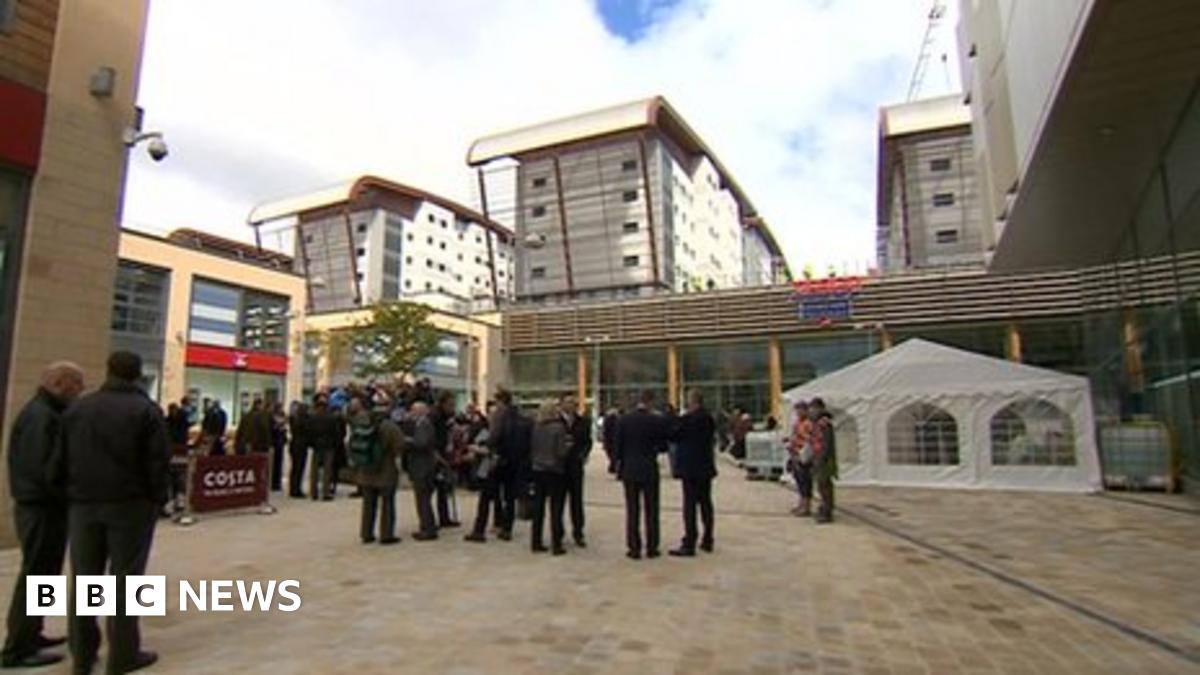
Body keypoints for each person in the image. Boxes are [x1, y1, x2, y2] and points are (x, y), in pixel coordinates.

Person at [50, 352, 167, 674]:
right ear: (137, 375)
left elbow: (59, 458)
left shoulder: (79, 408)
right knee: (126, 580)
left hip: (84, 504)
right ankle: (124, 653)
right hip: (130, 505)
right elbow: (157, 462)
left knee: (85, 579)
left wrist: (68, 493)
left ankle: (83, 654)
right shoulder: (146, 410)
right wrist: (157, 500)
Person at [1, 362, 84, 669]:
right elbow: (43, 469)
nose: (79, 392)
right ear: (62, 383)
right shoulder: (42, 417)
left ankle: (32, 632)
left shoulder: (47, 413)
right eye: (77, 385)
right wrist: (68, 490)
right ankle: (18, 647)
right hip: (40, 507)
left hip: (44, 506)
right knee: (36, 573)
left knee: (44, 573)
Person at [614, 390, 673, 560]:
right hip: (649, 467)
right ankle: (652, 546)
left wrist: (619, 463)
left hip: (630, 468)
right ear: (651, 402)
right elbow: (663, 446)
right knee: (652, 509)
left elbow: (617, 447)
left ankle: (634, 547)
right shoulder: (656, 420)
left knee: (632, 510)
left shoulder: (624, 420)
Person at [669, 390, 717, 557]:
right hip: (705, 466)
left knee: (689, 506)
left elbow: (674, 435)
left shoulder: (688, 420)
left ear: (692, 402)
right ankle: (708, 539)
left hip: (690, 467)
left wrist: (675, 418)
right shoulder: (708, 418)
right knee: (706, 504)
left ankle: (689, 542)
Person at [353, 399, 405, 544]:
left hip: (366, 471)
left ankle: (366, 533)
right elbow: (399, 447)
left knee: (368, 504)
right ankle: (386, 534)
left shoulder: (362, 424)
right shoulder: (390, 427)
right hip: (385, 471)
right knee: (387, 504)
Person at [528, 401, 569, 555]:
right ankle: (556, 544)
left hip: (538, 469)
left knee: (538, 507)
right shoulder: (558, 428)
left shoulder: (536, 427)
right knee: (556, 508)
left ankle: (536, 541)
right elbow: (561, 452)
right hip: (554, 470)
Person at [559, 393, 592, 547]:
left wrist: (583, 455)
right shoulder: (556, 422)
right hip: (559, 467)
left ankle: (578, 532)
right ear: (562, 404)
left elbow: (587, 442)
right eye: (568, 402)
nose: (571, 405)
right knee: (558, 501)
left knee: (577, 501)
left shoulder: (582, 422)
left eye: (573, 402)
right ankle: (558, 532)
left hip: (575, 465)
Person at [406, 402, 439, 540]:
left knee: (423, 499)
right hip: (423, 465)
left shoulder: (423, 424)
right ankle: (426, 526)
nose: (411, 413)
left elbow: (422, 443)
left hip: (423, 466)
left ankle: (428, 529)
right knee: (422, 499)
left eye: (413, 410)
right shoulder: (421, 424)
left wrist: (408, 441)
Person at [429, 391, 460, 528]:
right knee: (430, 489)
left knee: (443, 488)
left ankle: (444, 517)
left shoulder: (447, 418)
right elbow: (432, 439)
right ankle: (428, 520)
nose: (452, 408)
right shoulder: (435, 417)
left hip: (444, 453)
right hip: (435, 456)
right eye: (450, 405)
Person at [809, 398, 838, 524]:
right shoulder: (816, 423)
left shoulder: (824, 423)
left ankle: (827, 511)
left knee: (824, 485)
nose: (811, 411)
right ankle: (824, 507)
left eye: (814, 408)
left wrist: (822, 457)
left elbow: (826, 443)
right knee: (821, 485)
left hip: (824, 459)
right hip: (817, 457)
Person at [306, 395, 340, 501]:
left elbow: (309, 432)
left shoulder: (312, 417)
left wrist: (311, 443)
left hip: (316, 445)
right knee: (327, 470)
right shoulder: (331, 417)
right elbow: (336, 433)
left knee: (314, 470)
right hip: (328, 445)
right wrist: (335, 444)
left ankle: (313, 492)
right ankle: (325, 492)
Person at [787, 400, 814, 517]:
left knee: (805, 481)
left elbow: (809, 439)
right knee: (799, 481)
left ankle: (806, 506)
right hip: (795, 454)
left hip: (804, 455)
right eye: (797, 410)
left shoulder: (808, 423)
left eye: (800, 410)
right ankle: (801, 504)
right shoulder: (798, 422)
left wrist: (799, 438)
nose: (798, 412)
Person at [287, 402, 310, 498]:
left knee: (294, 468)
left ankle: (293, 488)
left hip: (294, 444)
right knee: (299, 468)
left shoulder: (293, 419)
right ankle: (296, 489)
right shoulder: (303, 421)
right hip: (301, 446)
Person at [269, 402, 287, 492]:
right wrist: (278, 426)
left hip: (280, 442)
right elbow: (272, 429)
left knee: (279, 463)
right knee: (274, 464)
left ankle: (277, 483)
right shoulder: (272, 417)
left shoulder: (283, 415)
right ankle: (273, 483)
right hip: (275, 442)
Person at [602, 407, 620, 475]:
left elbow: (605, 431)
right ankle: (613, 466)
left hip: (609, 440)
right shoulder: (618, 419)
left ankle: (613, 466)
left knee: (611, 454)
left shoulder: (607, 420)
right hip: (613, 439)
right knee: (613, 454)